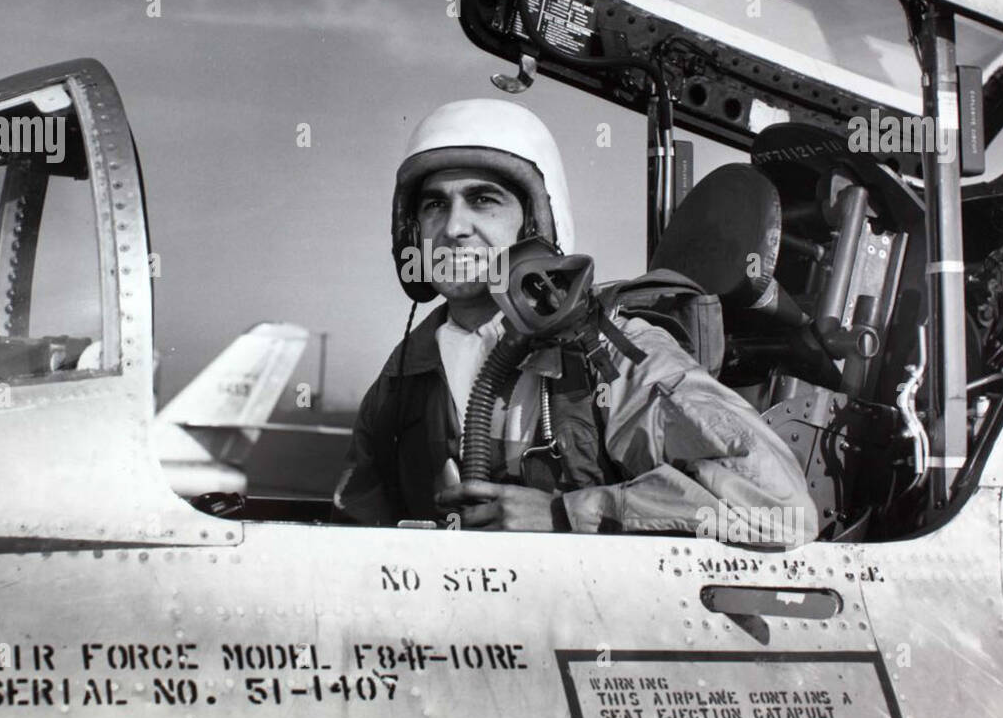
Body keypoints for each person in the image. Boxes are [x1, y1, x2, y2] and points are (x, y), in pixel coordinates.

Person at [334, 99, 819, 545]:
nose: (454, 228)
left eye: (483, 200)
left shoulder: (611, 351)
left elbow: (779, 507)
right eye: (435, 204)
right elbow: (356, 527)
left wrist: (567, 513)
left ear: (536, 226)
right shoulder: (405, 375)